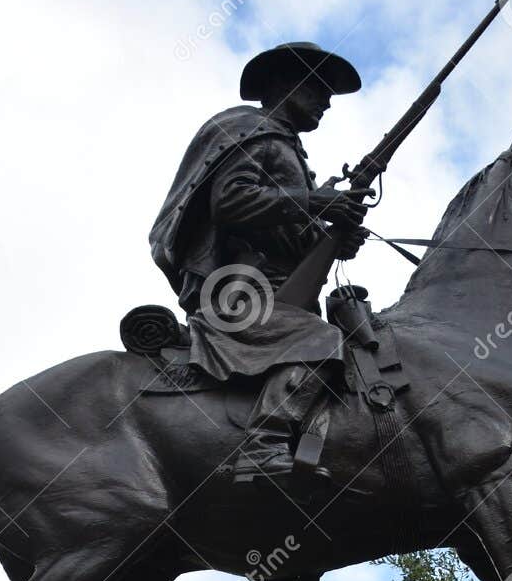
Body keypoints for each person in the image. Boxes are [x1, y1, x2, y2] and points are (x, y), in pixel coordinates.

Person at [149, 41, 367, 493]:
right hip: (240, 292)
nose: (326, 102)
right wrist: (316, 202)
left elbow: (289, 232)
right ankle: (263, 444)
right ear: (285, 86)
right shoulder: (255, 130)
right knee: (321, 340)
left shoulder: (287, 148)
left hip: (278, 291)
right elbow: (230, 202)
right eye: (317, 90)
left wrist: (335, 234)